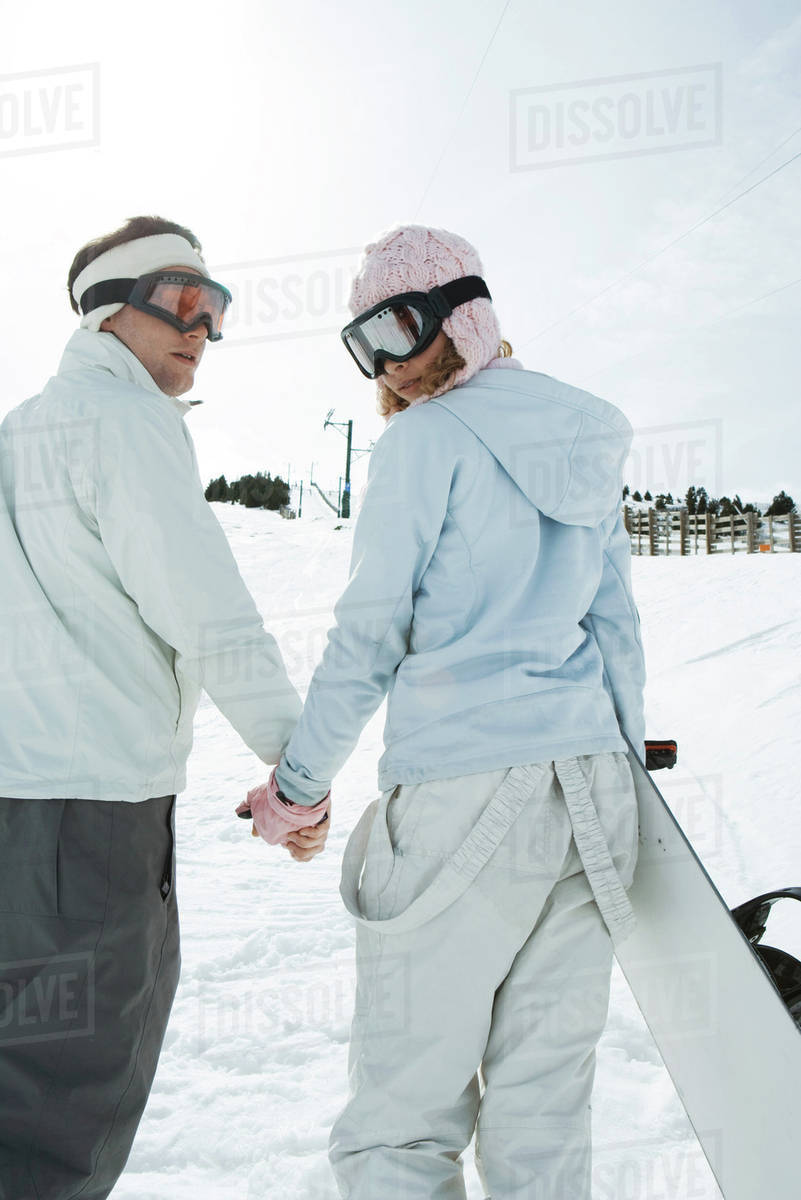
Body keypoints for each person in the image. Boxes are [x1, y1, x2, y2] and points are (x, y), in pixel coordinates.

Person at [246, 224, 646, 1199]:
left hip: (462, 790)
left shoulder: (426, 442)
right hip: (587, 800)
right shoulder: (588, 433)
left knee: (401, 1116)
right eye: (364, 345)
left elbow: (369, 634)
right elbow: (616, 626)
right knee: (542, 1115)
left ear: (463, 315)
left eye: (397, 328)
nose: (388, 364)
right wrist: (625, 775)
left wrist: (297, 787)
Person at [0, 215, 328, 1200]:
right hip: (91, 819)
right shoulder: (127, 422)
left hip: (21, 809)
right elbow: (210, 613)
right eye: (183, 302)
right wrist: (297, 771)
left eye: (215, 309)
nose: (204, 329)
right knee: (64, 1104)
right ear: (110, 310)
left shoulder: (19, 431)